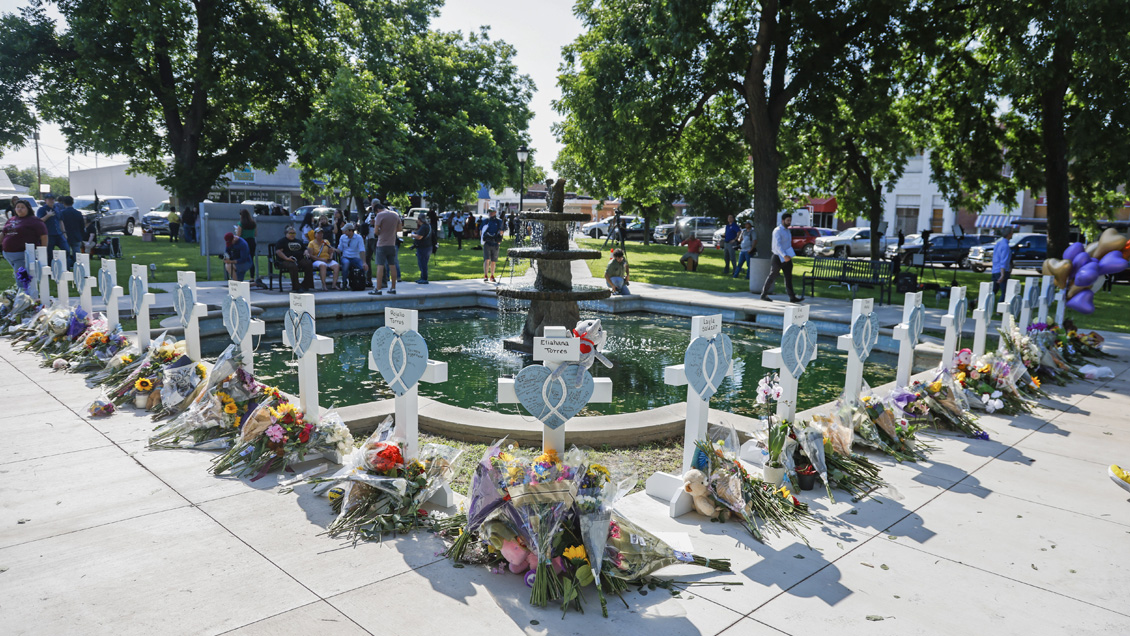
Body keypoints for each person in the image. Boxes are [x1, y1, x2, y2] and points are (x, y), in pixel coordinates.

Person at [759, 212, 803, 303]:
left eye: (790, 220)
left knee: (788, 277)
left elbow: (787, 244)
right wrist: (784, 255)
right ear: (783, 220)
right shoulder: (777, 230)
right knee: (772, 275)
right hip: (778, 257)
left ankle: (792, 297)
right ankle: (764, 294)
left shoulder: (787, 231)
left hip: (787, 256)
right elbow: (777, 245)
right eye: (787, 220)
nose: (789, 222)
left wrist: (789, 254)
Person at [2, 199, 48, 273]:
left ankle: (22, 285)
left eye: (22, 207)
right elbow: (4, 232)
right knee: (18, 273)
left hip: (22, 255)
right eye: (17, 207)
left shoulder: (35, 221)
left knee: (21, 278)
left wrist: (42, 251)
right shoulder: (11, 219)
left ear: (28, 209)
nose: (19, 209)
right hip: (8, 254)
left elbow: (44, 236)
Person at [370, 200, 402, 295]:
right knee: (392, 265)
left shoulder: (380, 215)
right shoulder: (395, 214)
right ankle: (393, 288)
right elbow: (400, 229)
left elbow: (376, 231)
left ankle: (378, 289)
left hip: (381, 244)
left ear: (377, 210)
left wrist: (381, 232)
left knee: (380, 265)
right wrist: (391, 231)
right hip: (392, 244)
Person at [274, 226, 315, 291]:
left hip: (299, 259)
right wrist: (286, 258)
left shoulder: (298, 241)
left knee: (308, 263)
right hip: (286, 260)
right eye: (290, 233)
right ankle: (297, 287)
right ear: (286, 233)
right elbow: (278, 251)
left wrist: (306, 252)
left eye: (294, 233)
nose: (292, 235)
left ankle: (306, 285)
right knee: (293, 266)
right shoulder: (282, 241)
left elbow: (304, 249)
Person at [36, 194, 69, 264]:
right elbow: (39, 221)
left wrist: (64, 232)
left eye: (53, 199)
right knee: (49, 253)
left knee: (66, 250)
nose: (51, 201)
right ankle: (50, 269)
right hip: (48, 235)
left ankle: (66, 266)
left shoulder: (57, 208)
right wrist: (47, 216)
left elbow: (60, 221)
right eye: (49, 199)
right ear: (45, 200)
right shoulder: (42, 209)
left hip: (59, 234)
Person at [337, 222, 367, 287]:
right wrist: (334, 250)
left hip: (355, 257)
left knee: (362, 267)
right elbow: (340, 249)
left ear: (350, 231)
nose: (344, 232)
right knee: (346, 263)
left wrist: (364, 262)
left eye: (345, 230)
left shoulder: (358, 237)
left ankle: (361, 281)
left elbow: (362, 250)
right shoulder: (342, 237)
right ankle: (344, 283)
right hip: (345, 257)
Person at [58, 196, 84, 268]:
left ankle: (67, 266)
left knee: (66, 253)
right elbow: (82, 226)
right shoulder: (78, 213)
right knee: (77, 253)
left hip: (66, 235)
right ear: (72, 203)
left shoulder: (62, 213)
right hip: (76, 235)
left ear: (64, 203)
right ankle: (78, 266)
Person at [481, 207, 504, 282]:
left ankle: (492, 276)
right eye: (489, 211)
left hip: (495, 243)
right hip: (487, 243)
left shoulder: (499, 221)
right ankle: (485, 275)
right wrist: (482, 240)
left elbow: (502, 231)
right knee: (487, 259)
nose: (490, 213)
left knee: (493, 261)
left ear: (495, 212)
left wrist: (500, 237)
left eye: (492, 211)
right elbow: (481, 231)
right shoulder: (485, 221)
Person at [992, 227, 1013, 305]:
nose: (1012, 234)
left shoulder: (998, 244)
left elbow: (995, 258)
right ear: (1009, 234)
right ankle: (999, 310)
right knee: (1005, 292)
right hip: (1002, 271)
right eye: (1012, 232)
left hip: (995, 270)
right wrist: (1002, 274)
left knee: (993, 290)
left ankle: (976, 301)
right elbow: (1003, 261)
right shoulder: (1006, 246)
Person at [238, 208, 258, 280]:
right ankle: (252, 277)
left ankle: (239, 275)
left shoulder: (241, 224)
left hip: (244, 242)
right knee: (251, 259)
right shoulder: (253, 223)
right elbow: (255, 234)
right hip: (252, 241)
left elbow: (238, 235)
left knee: (242, 258)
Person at [412, 213, 432, 284]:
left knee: (422, 263)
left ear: (420, 219)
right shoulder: (428, 226)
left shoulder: (423, 227)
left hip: (423, 248)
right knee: (423, 263)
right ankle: (422, 277)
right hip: (428, 247)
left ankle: (424, 278)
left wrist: (412, 235)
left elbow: (419, 237)